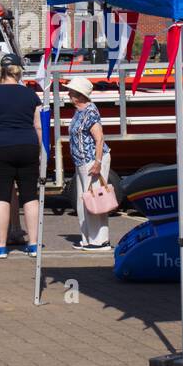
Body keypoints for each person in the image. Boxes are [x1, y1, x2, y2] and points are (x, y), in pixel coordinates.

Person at [0, 54, 42, 259]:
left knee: (2, 196)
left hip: (2, 146)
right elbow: (38, 126)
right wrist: (40, 151)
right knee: (30, 196)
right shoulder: (31, 95)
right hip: (28, 145)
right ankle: (33, 245)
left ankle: (1, 246)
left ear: (0, 71)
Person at [66, 76, 112, 251]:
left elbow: (99, 139)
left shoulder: (91, 112)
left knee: (93, 199)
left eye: (72, 91)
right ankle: (87, 238)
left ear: (80, 95)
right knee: (83, 200)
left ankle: (100, 240)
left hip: (92, 160)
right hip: (82, 161)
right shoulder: (79, 111)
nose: (68, 94)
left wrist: (98, 162)